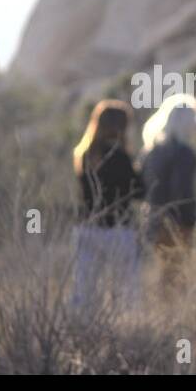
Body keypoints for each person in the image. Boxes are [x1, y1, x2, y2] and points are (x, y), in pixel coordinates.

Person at [72, 100, 144, 309]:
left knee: (84, 289)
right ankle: (128, 330)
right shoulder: (121, 157)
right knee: (127, 290)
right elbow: (139, 191)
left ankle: (80, 328)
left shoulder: (85, 155)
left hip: (87, 227)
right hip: (118, 231)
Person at [140, 94, 196, 298]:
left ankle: (161, 316)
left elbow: (144, 188)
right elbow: (182, 190)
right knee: (175, 275)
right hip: (177, 223)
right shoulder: (184, 153)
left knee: (163, 271)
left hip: (153, 220)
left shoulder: (151, 151)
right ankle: (171, 319)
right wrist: (189, 220)